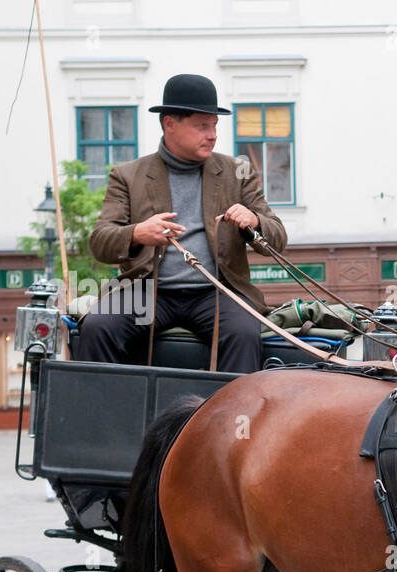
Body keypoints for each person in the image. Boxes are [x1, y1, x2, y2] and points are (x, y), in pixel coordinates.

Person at [77, 73, 287, 373]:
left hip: (217, 291)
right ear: (170, 124)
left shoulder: (238, 172)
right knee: (98, 326)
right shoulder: (127, 175)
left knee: (243, 332)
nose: (212, 135)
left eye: (214, 125)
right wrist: (137, 233)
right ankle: (105, 417)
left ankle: (232, 420)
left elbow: (278, 238)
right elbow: (100, 242)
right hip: (147, 290)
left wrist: (254, 221)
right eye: (202, 126)